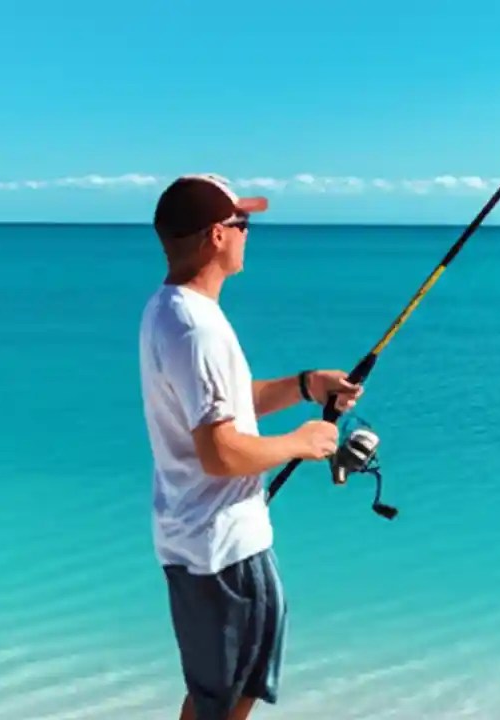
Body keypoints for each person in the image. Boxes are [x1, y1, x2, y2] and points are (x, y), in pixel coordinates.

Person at [137, 173, 363, 720]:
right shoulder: (198, 331)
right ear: (217, 235)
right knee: (228, 702)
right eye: (243, 224)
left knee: (215, 696)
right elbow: (220, 452)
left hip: (196, 545)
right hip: (225, 555)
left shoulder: (169, 310)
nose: (248, 234)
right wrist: (300, 444)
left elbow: (228, 407)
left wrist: (306, 386)